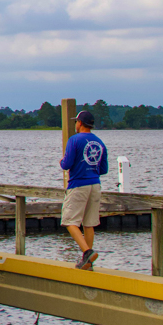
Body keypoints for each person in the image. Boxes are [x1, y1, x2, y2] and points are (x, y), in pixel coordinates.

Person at [60, 109, 108, 270]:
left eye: (76, 121)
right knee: (89, 224)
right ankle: (88, 263)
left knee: (69, 220)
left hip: (78, 184)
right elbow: (103, 169)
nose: (75, 124)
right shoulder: (100, 143)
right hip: (95, 185)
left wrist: (62, 162)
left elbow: (66, 164)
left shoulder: (74, 140)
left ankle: (87, 252)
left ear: (80, 123)